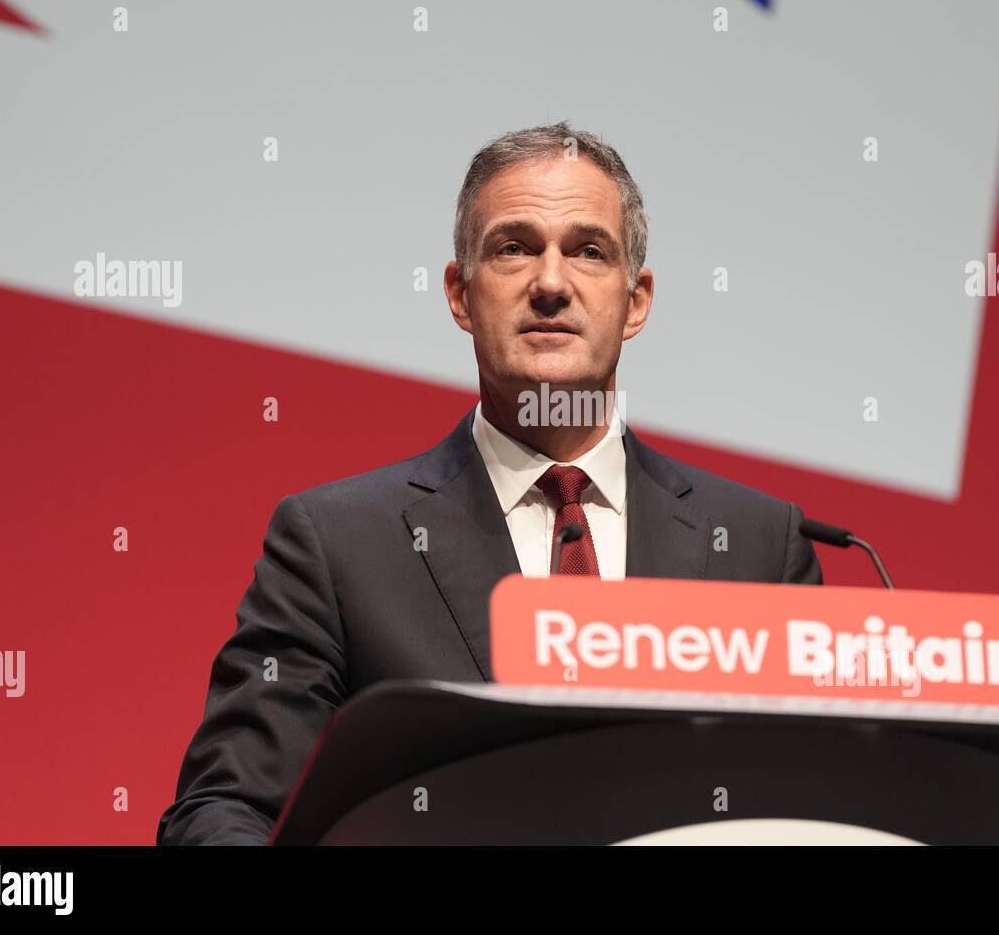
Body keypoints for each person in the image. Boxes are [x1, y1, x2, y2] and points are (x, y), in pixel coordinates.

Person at [157, 122, 822, 845]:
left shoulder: (760, 549)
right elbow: (225, 811)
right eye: (514, 248)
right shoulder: (336, 546)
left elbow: (817, 808)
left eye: (588, 251)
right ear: (460, 294)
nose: (550, 283)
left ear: (636, 301)